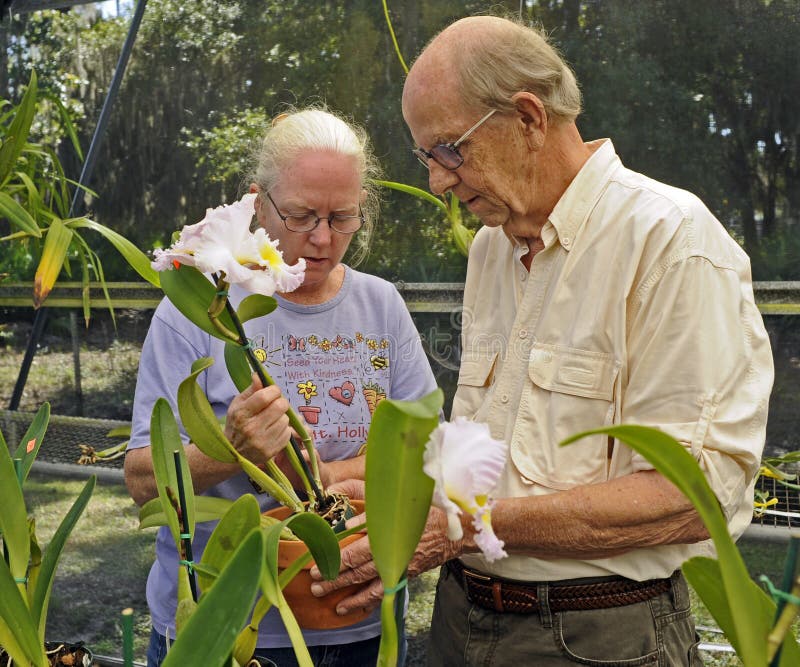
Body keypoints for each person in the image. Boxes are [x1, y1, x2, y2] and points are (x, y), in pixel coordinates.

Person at [309, 15, 774, 665]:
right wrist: (407, 493)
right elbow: (512, 457)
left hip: (597, 635)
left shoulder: (670, 242)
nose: (439, 180)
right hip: (460, 616)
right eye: (426, 159)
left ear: (528, 117)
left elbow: (696, 494)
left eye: (449, 149)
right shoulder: (491, 254)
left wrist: (460, 525)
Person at [124, 107, 437, 667]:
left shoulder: (380, 306)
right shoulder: (200, 312)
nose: (322, 239)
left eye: (343, 217)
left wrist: (322, 479)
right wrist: (231, 450)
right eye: (300, 215)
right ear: (256, 202)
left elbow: (426, 455)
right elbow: (145, 481)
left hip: (360, 623)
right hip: (220, 630)